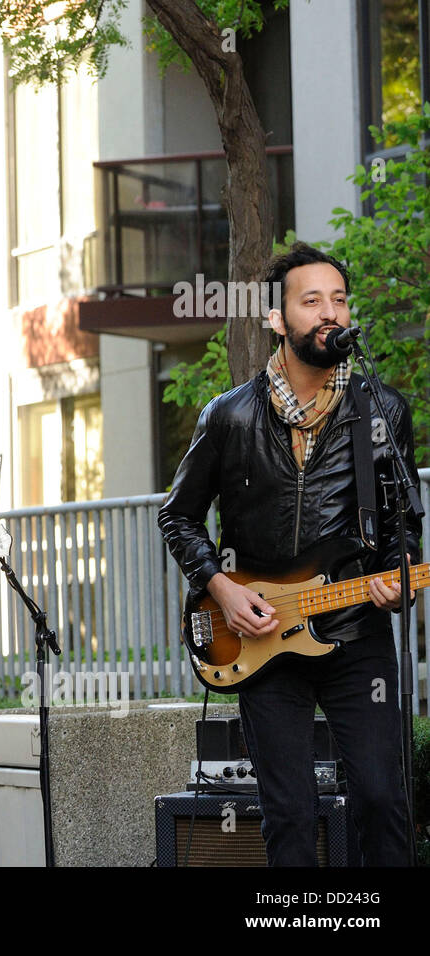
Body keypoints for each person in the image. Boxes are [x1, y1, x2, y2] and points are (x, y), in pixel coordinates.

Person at [157, 241, 421, 866]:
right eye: (311, 301)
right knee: (291, 815)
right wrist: (220, 588)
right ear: (277, 319)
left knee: (384, 799)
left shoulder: (381, 413)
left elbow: (400, 528)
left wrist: (397, 577)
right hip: (261, 638)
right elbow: (179, 516)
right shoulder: (230, 417)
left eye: (338, 300)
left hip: (356, 632)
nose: (329, 313)